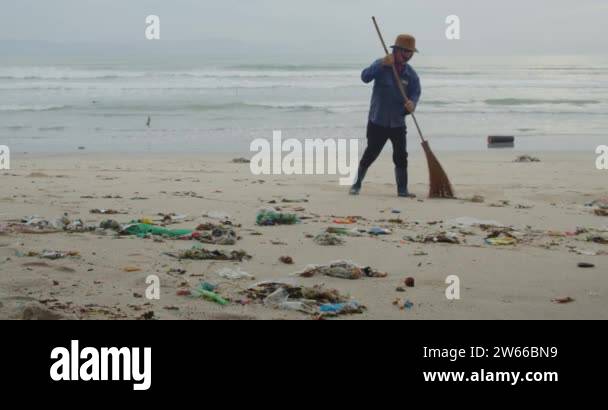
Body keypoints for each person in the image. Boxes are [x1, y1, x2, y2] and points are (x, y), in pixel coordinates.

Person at [350, 34, 421, 197]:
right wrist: (382, 64)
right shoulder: (381, 64)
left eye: (410, 52)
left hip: (398, 122)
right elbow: (365, 77)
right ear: (396, 50)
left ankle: (402, 190)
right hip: (378, 121)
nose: (408, 55)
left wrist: (412, 104)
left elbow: (415, 93)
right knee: (371, 153)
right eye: (405, 51)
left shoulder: (411, 74)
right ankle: (356, 184)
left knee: (401, 157)